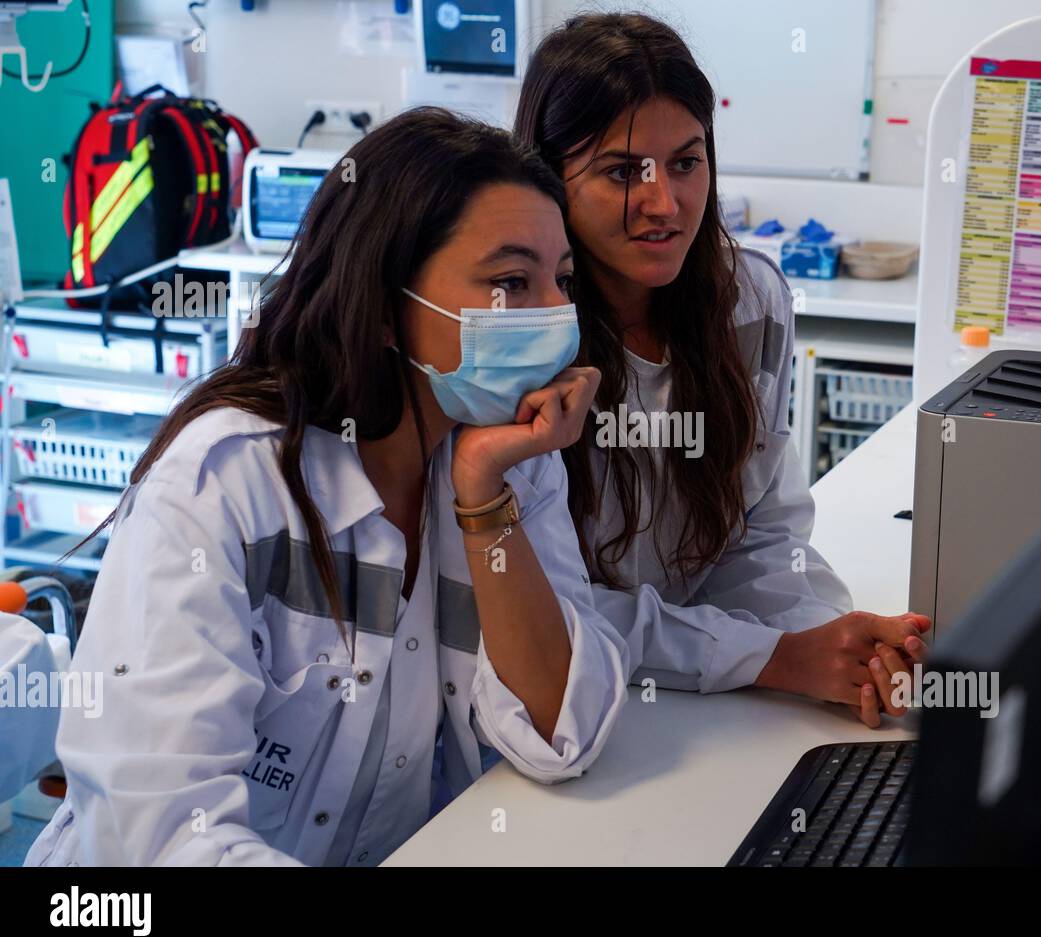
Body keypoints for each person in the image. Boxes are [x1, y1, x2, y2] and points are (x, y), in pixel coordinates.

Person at [25, 108, 628, 867]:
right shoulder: (222, 484)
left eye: (561, 280)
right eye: (510, 282)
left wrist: (481, 494)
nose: (553, 315)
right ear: (382, 308)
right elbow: (164, 837)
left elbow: (560, 732)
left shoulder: (510, 462)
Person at [515, 13, 930, 727]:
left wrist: (836, 646)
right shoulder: (520, 342)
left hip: (706, 703)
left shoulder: (751, 303)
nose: (664, 203)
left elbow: (760, 537)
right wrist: (774, 658)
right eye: (622, 171)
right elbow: (543, 610)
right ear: (549, 178)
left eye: (686, 161)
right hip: (562, 717)